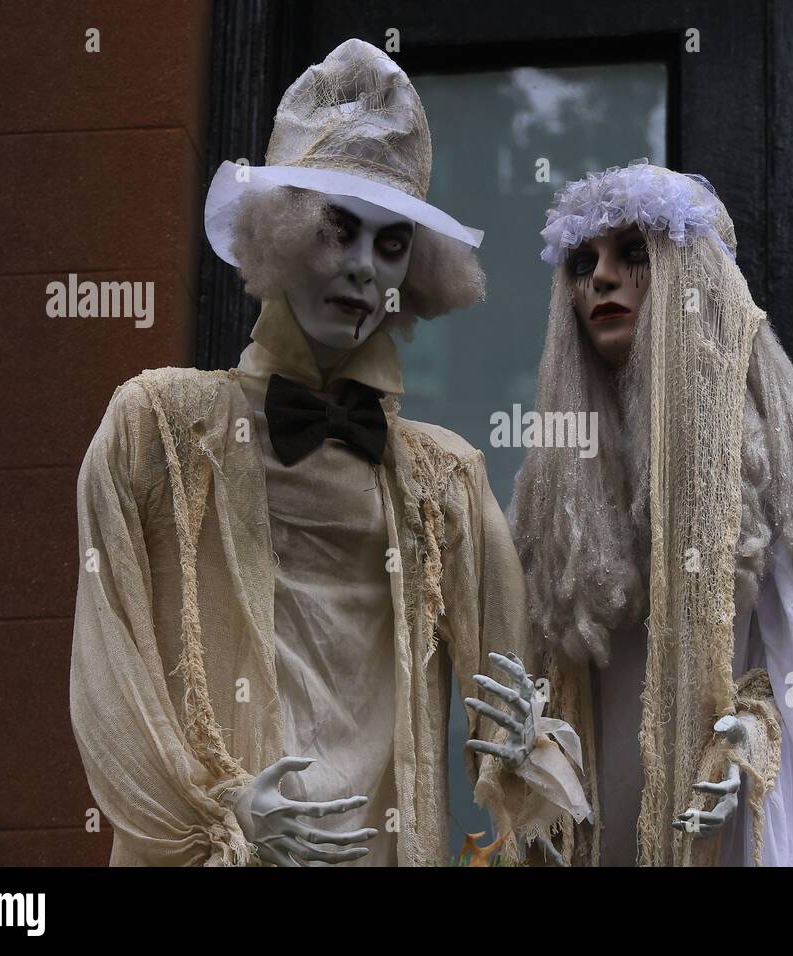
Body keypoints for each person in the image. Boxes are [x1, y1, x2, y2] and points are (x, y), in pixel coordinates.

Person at [69, 38, 534, 867]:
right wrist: (209, 812)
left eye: (390, 244)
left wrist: (533, 759)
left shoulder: (445, 478)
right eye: (339, 227)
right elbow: (111, 662)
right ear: (278, 229)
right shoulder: (158, 428)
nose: (361, 267)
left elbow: (514, 704)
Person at [504, 160, 793, 866]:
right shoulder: (559, 484)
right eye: (585, 263)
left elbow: (790, 678)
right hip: (601, 815)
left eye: (635, 254)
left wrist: (750, 740)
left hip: (723, 819)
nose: (602, 279)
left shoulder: (750, 465)